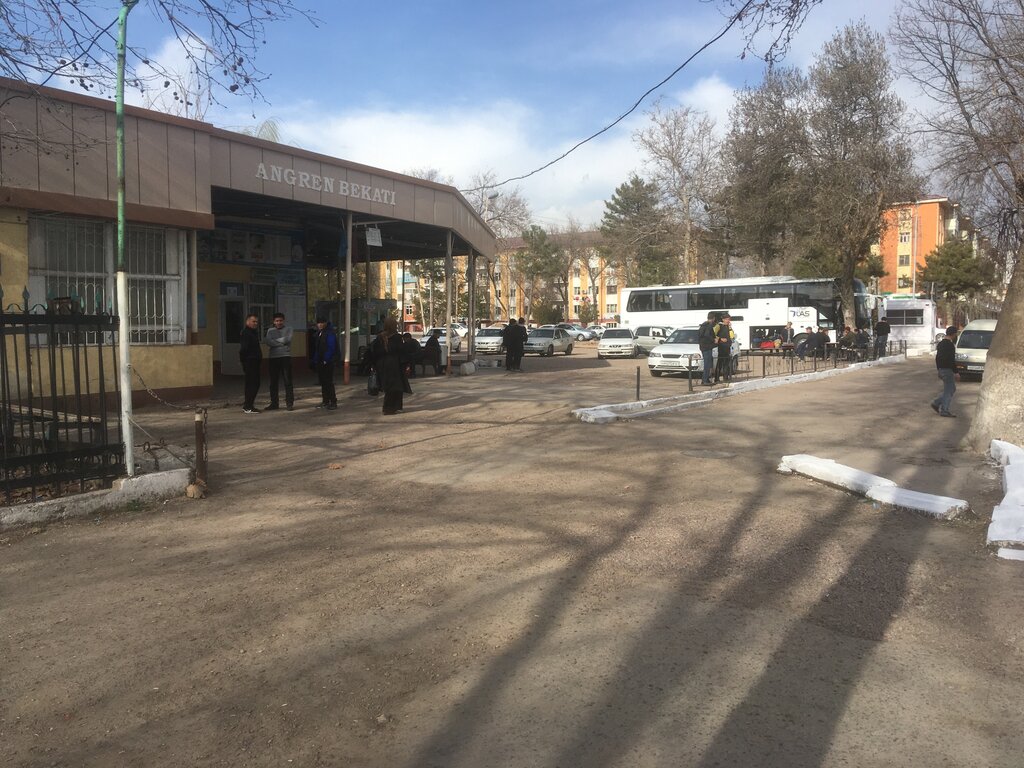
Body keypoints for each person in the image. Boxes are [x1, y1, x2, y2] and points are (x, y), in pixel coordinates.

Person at [372, 316, 409, 415]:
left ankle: (393, 407)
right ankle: (390, 407)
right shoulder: (396, 337)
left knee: (389, 386)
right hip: (394, 364)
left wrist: (375, 364)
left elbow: (374, 351)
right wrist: (405, 364)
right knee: (395, 386)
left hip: (382, 364)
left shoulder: (379, 337)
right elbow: (401, 351)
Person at [264, 312, 294, 411]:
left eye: (280, 320)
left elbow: (287, 339)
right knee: (273, 382)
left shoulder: (289, 329)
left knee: (287, 381)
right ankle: (274, 403)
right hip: (273, 358)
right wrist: (281, 343)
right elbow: (268, 342)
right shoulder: (270, 330)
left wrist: (275, 341)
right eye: (277, 321)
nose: (279, 322)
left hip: (285, 357)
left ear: (283, 321)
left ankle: (289, 403)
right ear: (274, 321)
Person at [931, 325, 960, 417]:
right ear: (954, 334)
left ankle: (937, 403)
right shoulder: (950, 345)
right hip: (947, 370)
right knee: (949, 390)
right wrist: (956, 372)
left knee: (950, 389)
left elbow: (937, 358)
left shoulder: (941, 344)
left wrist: (938, 369)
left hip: (941, 369)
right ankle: (944, 409)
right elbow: (951, 360)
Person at [311, 316, 337, 410]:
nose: (320, 324)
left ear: (326, 323)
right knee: (323, 382)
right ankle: (325, 401)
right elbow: (318, 349)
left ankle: (333, 402)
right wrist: (315, 360)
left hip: (328, 362)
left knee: (328, 382)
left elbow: (331, 347)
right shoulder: (319, 333)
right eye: (318, 323)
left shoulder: (329, 333)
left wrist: (326, 359)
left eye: (322, 322)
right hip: (320, 361)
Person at [239, 313, 262, 414]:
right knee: (252, 384)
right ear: (247, 322)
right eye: (253, 321)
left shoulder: (253, 332)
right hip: (250, 361)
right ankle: (248, 406)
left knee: (255, 383)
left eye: (256, 321)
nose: (255, 323)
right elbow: (243, 349)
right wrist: (244, 362)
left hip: (255, 362)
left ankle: (249, 404)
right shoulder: (246, 333)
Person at [713, 313, 735, 383]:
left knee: (726, 363)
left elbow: (732, 336)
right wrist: (720, 339)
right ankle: (716, 378)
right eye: (727, 319)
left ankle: (726, 377)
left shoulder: (728, 327)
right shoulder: (718, 326)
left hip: (727, 346)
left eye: (729, 319)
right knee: (720, 363)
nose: (728, 321)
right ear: (723, 319)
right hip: (721, 346)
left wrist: (730, 327)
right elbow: (713, 334)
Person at [697, 312, 718, 385]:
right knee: (707, 364)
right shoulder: (708, 326)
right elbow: (707, 335)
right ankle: (705, 380)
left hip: (703, 346)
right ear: (713, 318)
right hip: (707, 347)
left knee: (708, 363)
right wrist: (713, 340)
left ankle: (706, 379)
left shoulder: (703, 325)